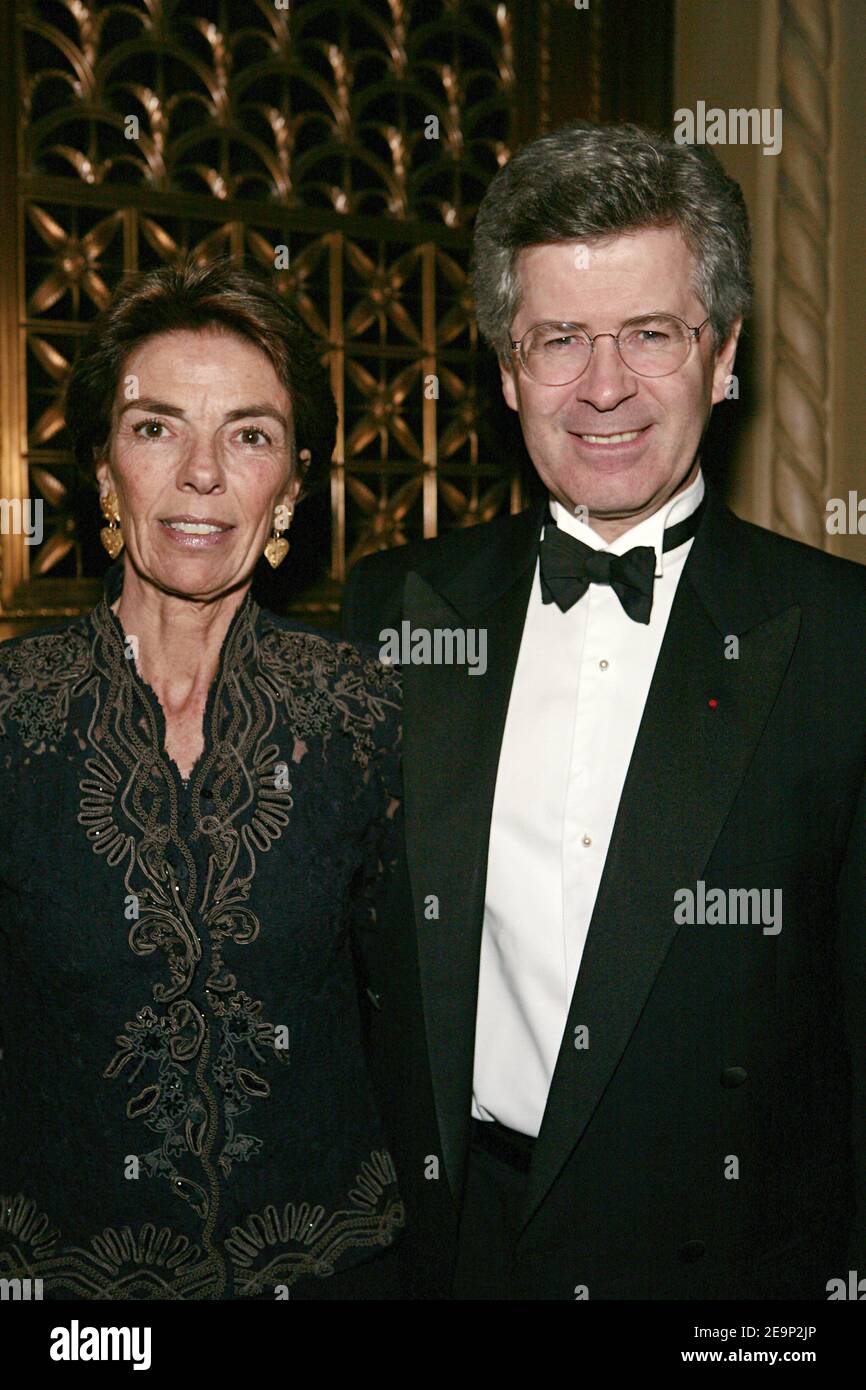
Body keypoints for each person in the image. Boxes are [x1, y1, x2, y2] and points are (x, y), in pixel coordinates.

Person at [341, 120, 866, 1300]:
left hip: (723, 1278)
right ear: (505, 368)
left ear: (722, 350)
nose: (604, 386)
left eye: (649, 333)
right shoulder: (395, 609)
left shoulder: (840, 641)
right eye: (559, 340)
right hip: (448, 1252)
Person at [0, 259, 404, 1300]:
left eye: (250, 434)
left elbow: (419, 1020)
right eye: (156, 427)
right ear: (102, 467)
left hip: (329, 1272)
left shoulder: (366, 713)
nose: (202, 474)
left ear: (293, 486)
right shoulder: (9, 709)